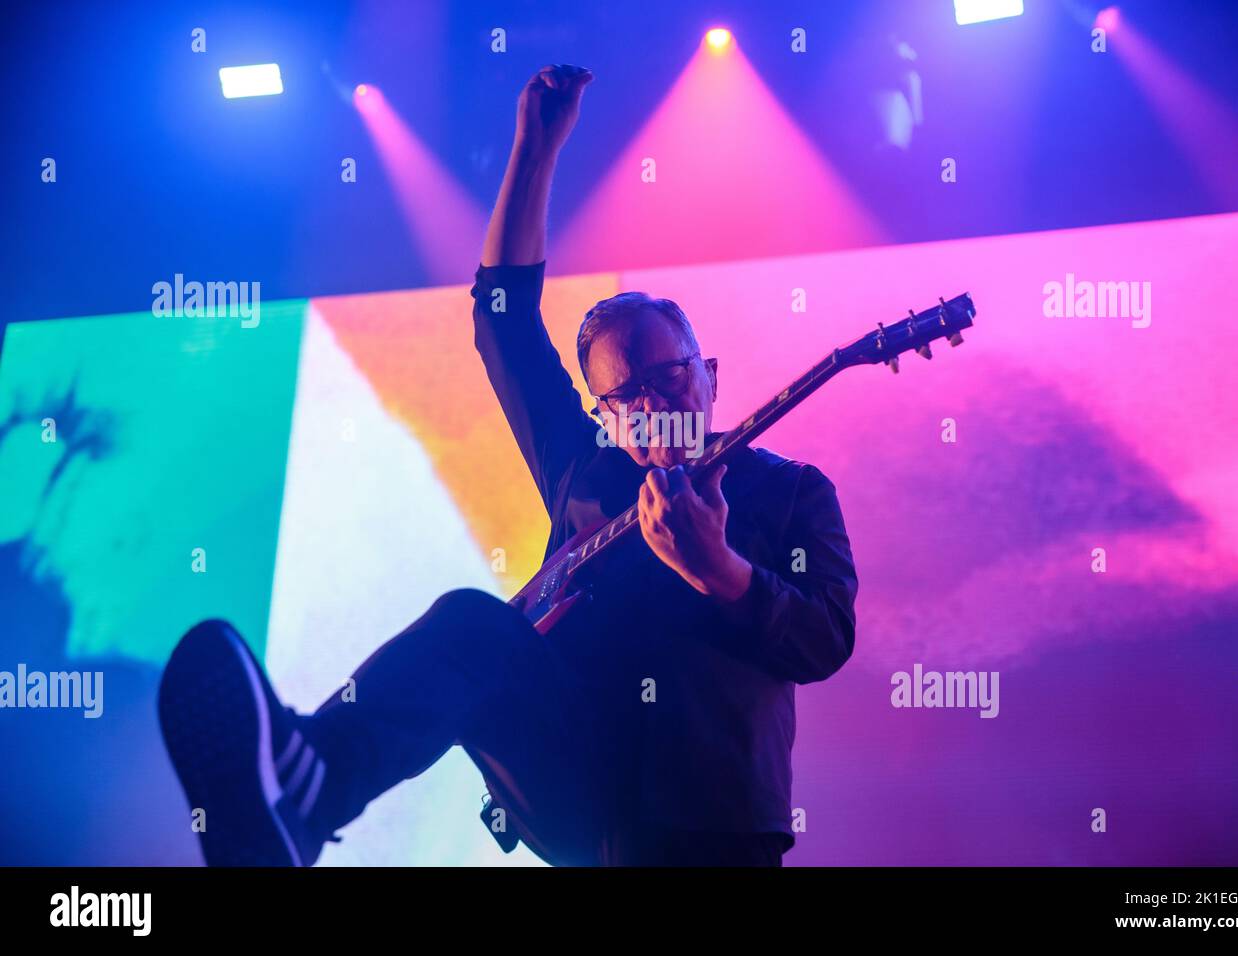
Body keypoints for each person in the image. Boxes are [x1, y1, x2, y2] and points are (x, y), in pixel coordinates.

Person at [157, 63, 858, 867]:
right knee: (472, 624)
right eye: (624, 392)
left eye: (670, 373)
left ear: (711, 376)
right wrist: (534, 151)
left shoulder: (792, 492)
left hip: (716, 823)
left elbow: (826, 638)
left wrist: (722, 571)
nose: (651, 397)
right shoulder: (584, 473)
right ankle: (313, 791)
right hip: (579, 792)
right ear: (603, 418)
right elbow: (505, 323)